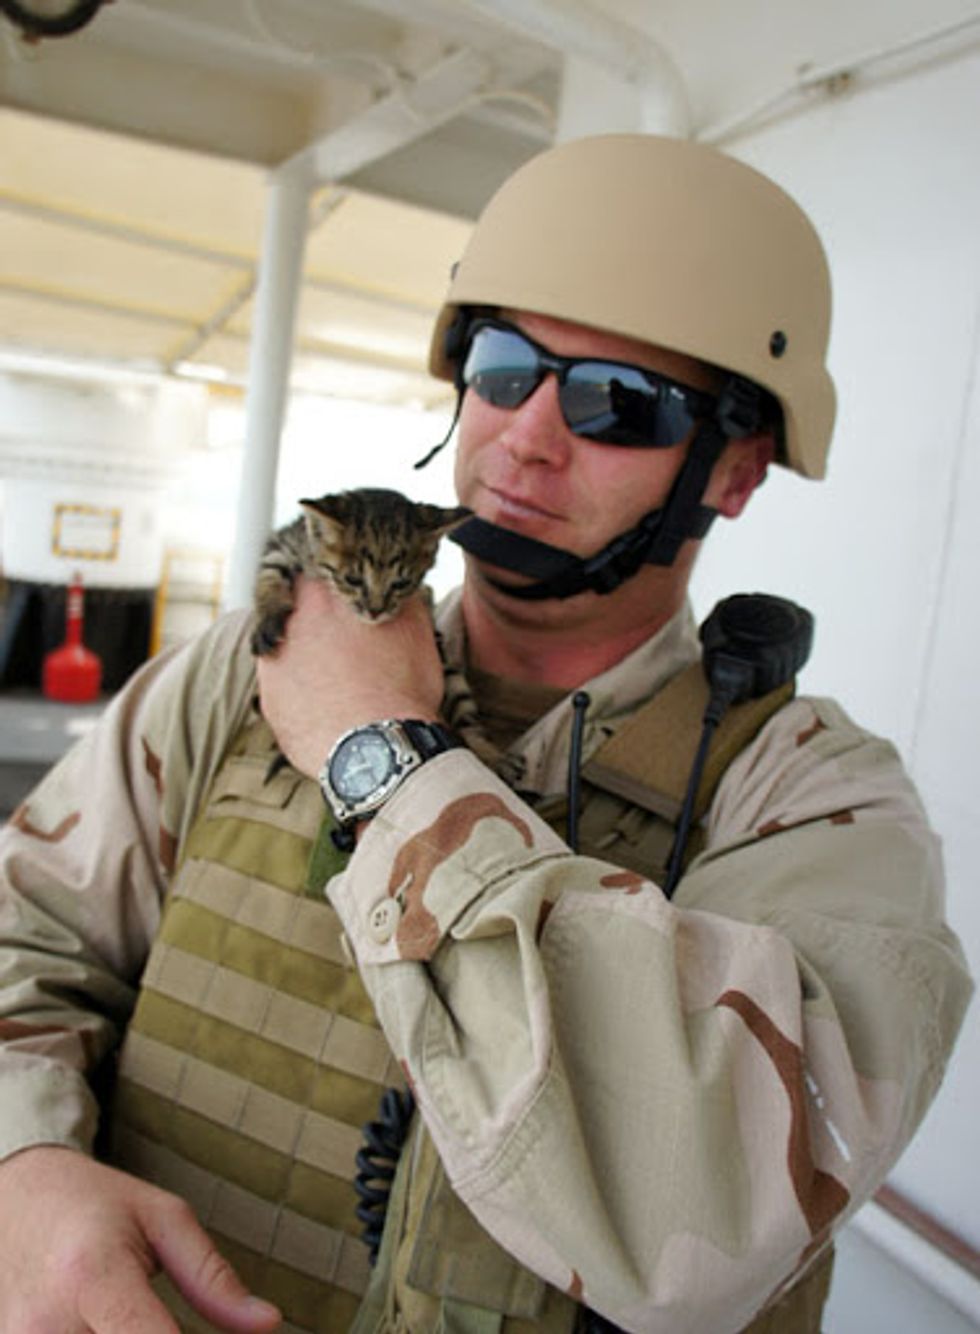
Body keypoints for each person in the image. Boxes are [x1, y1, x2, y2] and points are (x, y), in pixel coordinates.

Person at [0, 133, 971, 1334]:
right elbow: (25, 926)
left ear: (732, 470)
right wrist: (20, 1166)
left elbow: (696, 1216)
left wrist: (377, 747)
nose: (526, 435)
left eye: (619, 404)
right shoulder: (245, 670)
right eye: (505, 367)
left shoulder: (814, 804)